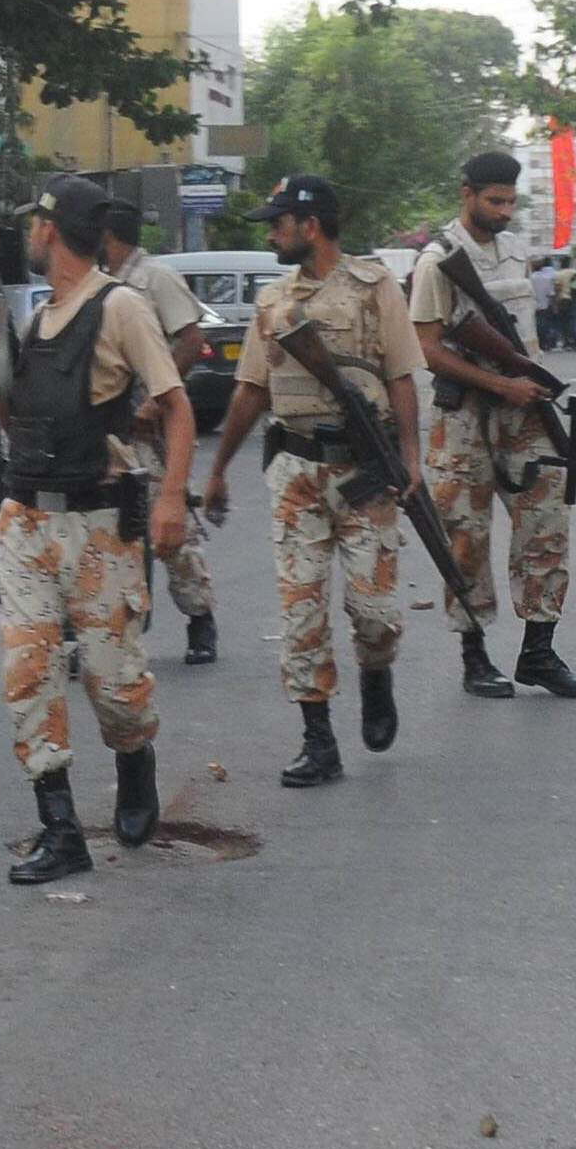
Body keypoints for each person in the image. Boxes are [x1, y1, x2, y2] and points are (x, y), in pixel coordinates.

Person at [0, 174, 190, 885]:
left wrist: (172, 500)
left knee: (114, 686)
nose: (30, 234)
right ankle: (60, 828)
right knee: (27, 673)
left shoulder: (119, 306)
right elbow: (17, 422)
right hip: (27, 519)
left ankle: (134, 758)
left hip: (98, 524)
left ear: (51, 231)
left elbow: (176, 407)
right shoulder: (40, 317)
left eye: (36, 224)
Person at [203, 176, 424, 788]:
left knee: (374, 611)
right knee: (302, 613)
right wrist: (218, 469)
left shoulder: (375, 288)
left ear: (311, 226)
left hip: (366, 471)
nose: (272, 232)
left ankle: (376, 677)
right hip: (296, 471)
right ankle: (318, 740)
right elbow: (250, 391)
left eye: (279, 222)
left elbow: (402, 375)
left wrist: (411, 456)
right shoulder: (273, 303)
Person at [409, 151, 576, 700]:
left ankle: (538, 651)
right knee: (464, 536)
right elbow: (428, 349)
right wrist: (499, 385)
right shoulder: (436, 261)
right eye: (495, 201)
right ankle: (475, 656)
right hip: (463, 417)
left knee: (546, 527)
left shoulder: (515, 251)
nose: (504, 211)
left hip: (525, 413)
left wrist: (522, 384)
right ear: (466, 193)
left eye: (511, 201)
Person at [102, 199, 220, 664]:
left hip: (150, 426)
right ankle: (113, 628)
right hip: (111, 424)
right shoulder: (97, 285)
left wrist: (156, 398)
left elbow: (193, 340)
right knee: (110, 531)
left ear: (110, 236)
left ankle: (200, 616)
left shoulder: (155, 279)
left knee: (169, 531)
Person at [530, 255, 560, 352]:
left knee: (536, 326)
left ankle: (540, 344)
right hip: (545, 305)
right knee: (546, 325)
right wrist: (554, 305)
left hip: (533, 306)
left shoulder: (530, 279)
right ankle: (547, 344)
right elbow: (551, 294)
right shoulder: (546, 278)